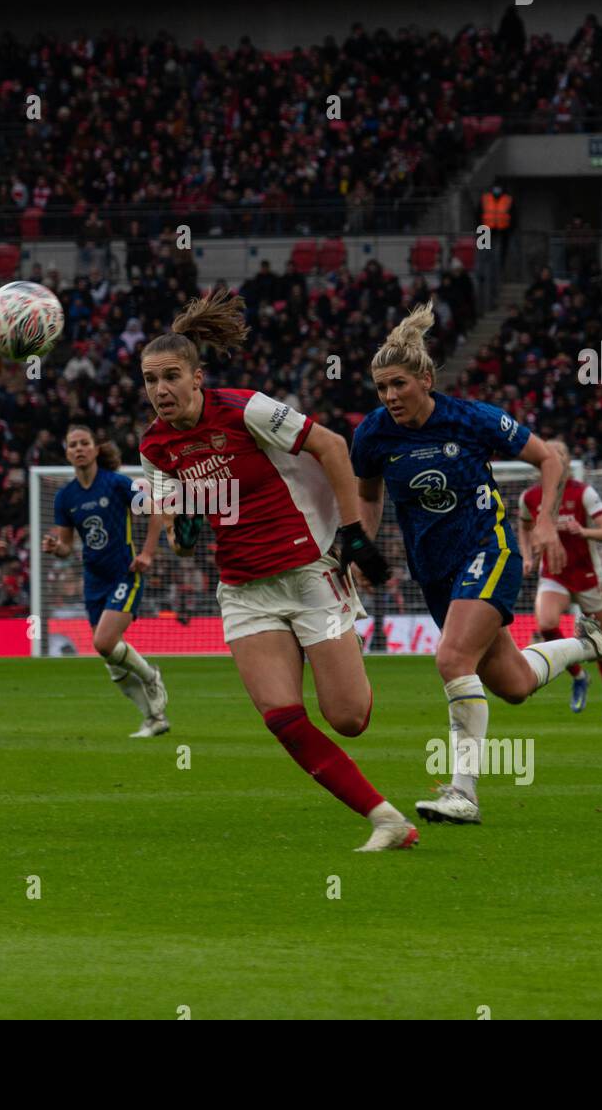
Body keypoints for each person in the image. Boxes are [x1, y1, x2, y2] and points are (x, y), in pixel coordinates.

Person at [138, 288, 418, 852]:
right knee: (282, 716)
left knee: (349, 719)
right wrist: (180, 532)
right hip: (244, 590)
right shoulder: (153, 447)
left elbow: (333, 446)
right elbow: (173, 519)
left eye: (170, 376)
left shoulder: (246, 408)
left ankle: (341, 661)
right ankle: (386, 819)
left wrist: (352, 529)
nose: (160, 390)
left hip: (308, 571)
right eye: (149, 380)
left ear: (197, 377)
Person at [352, 302, 602, 826]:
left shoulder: (472, 418)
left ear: (426, 380)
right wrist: (362, 546)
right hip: (433, 571)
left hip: (489, 549)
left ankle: (463, 792)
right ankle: (587, 643)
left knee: (451, 659)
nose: (390, 397)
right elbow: (367, 497)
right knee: (515, 685)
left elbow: (549, 457)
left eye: (399, 385)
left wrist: (544, 520)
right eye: (382, 387)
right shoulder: (373, 435)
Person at [42, 425, 171, 738]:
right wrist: (55, 548)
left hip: (124, 574)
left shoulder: (115, 484)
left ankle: (151, 676)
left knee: (103, 642)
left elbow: (154, 511)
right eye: (73, 445)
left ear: (95, 449)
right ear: (67, 453)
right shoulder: (65, 497)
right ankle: (154, 719)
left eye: (85, 443)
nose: (79, 449)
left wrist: (147, 554)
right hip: (93, 581)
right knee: (111, 659)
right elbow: (67, 547)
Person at [520, 440, 602, 719]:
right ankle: (578, 677)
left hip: (587, 575)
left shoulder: (584, 493)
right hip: (555, 575)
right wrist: (527, 555)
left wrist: (582, 531)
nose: (556, 459)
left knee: (600, 643)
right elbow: (524, 525)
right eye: (550, 454)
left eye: (561, 454)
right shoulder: (530, 497)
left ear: (566, 462)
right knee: (547, 624)